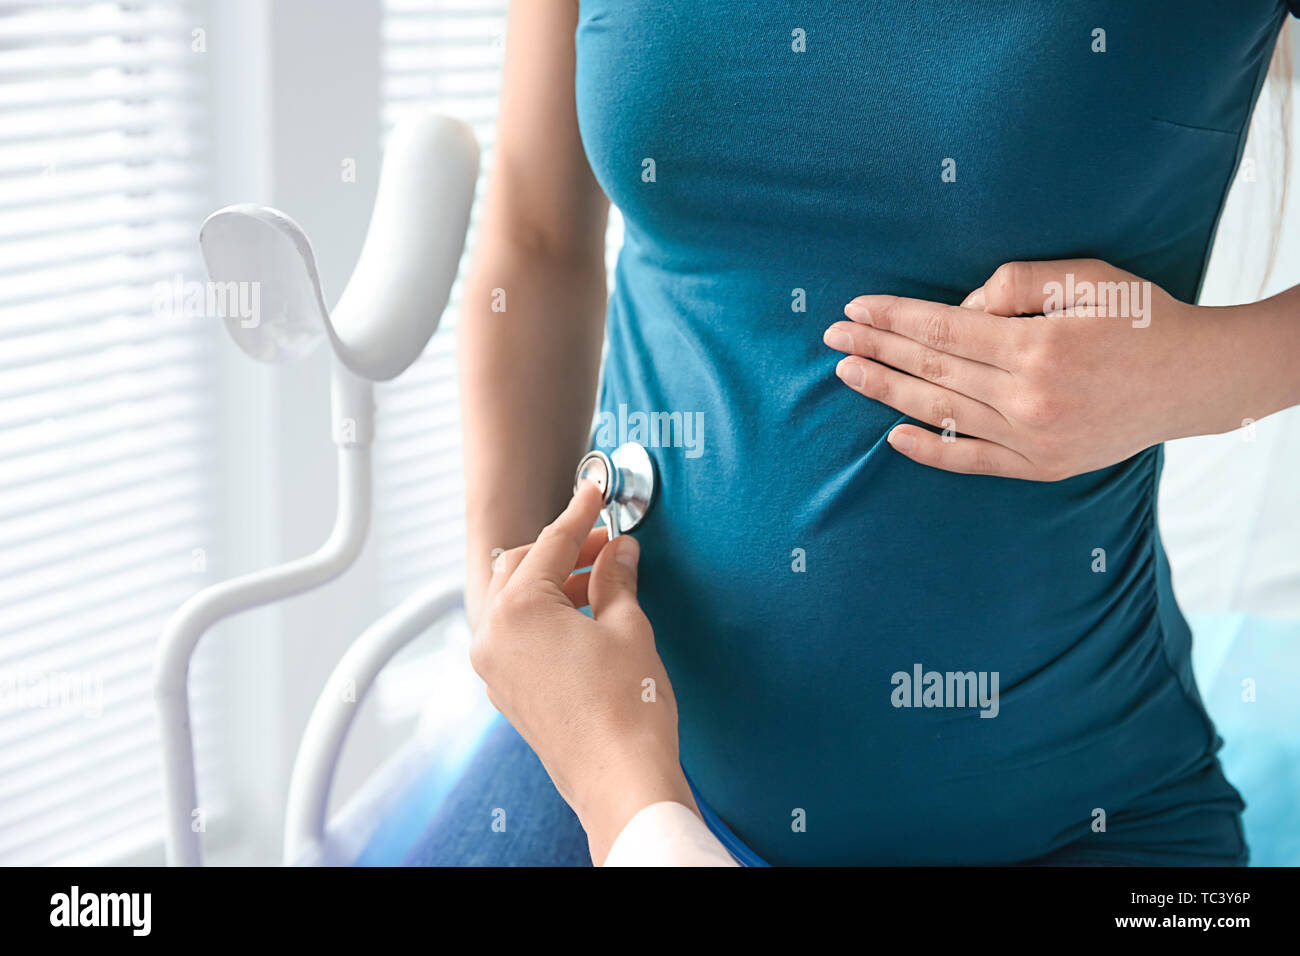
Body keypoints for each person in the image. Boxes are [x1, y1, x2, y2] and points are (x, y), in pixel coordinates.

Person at [408, 1, 1300, 866]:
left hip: (1072, 820)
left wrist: (1202, 374)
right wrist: (511, 618)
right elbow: (535, 239)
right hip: (606, 766)